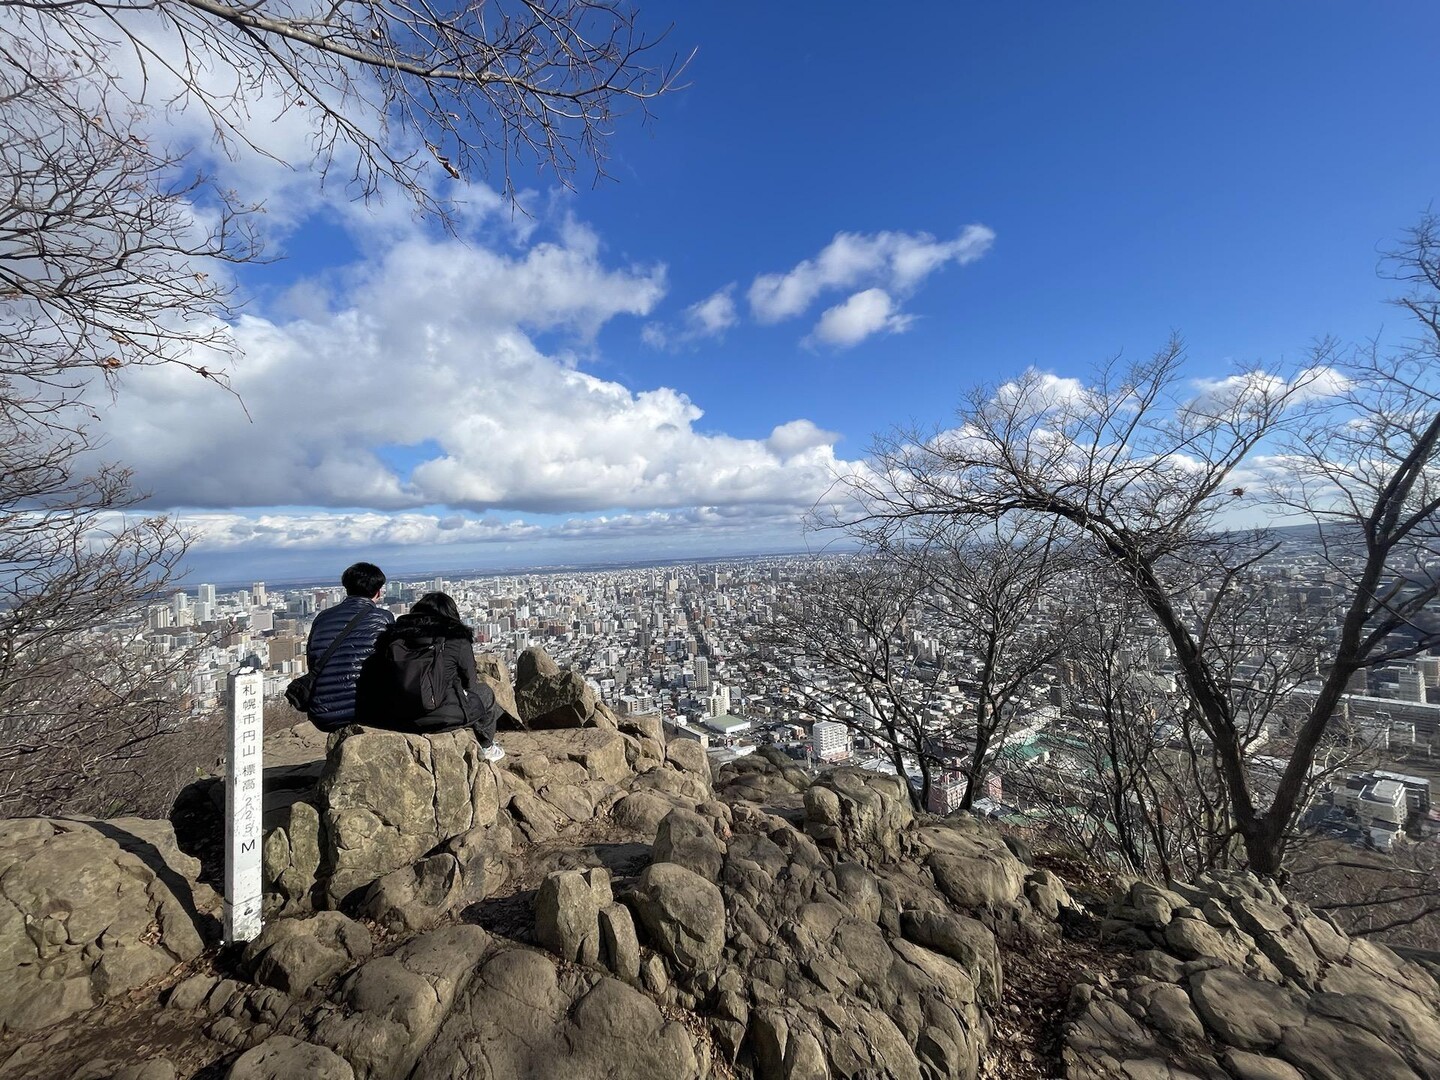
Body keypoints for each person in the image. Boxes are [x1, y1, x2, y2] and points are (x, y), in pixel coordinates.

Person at [355, 591, 509, 761]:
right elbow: (470, 683)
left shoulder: (393, 637)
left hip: (395, 717)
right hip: (440, 717)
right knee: (485, 693)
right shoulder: (456, 639)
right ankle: (487, 747)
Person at [305, 562, 395, 732]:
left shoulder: (322, 618)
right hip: (368, 710)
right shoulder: (383, 618)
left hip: (322, 713)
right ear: (378, 592)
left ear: (347, 589)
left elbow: (312, 660)